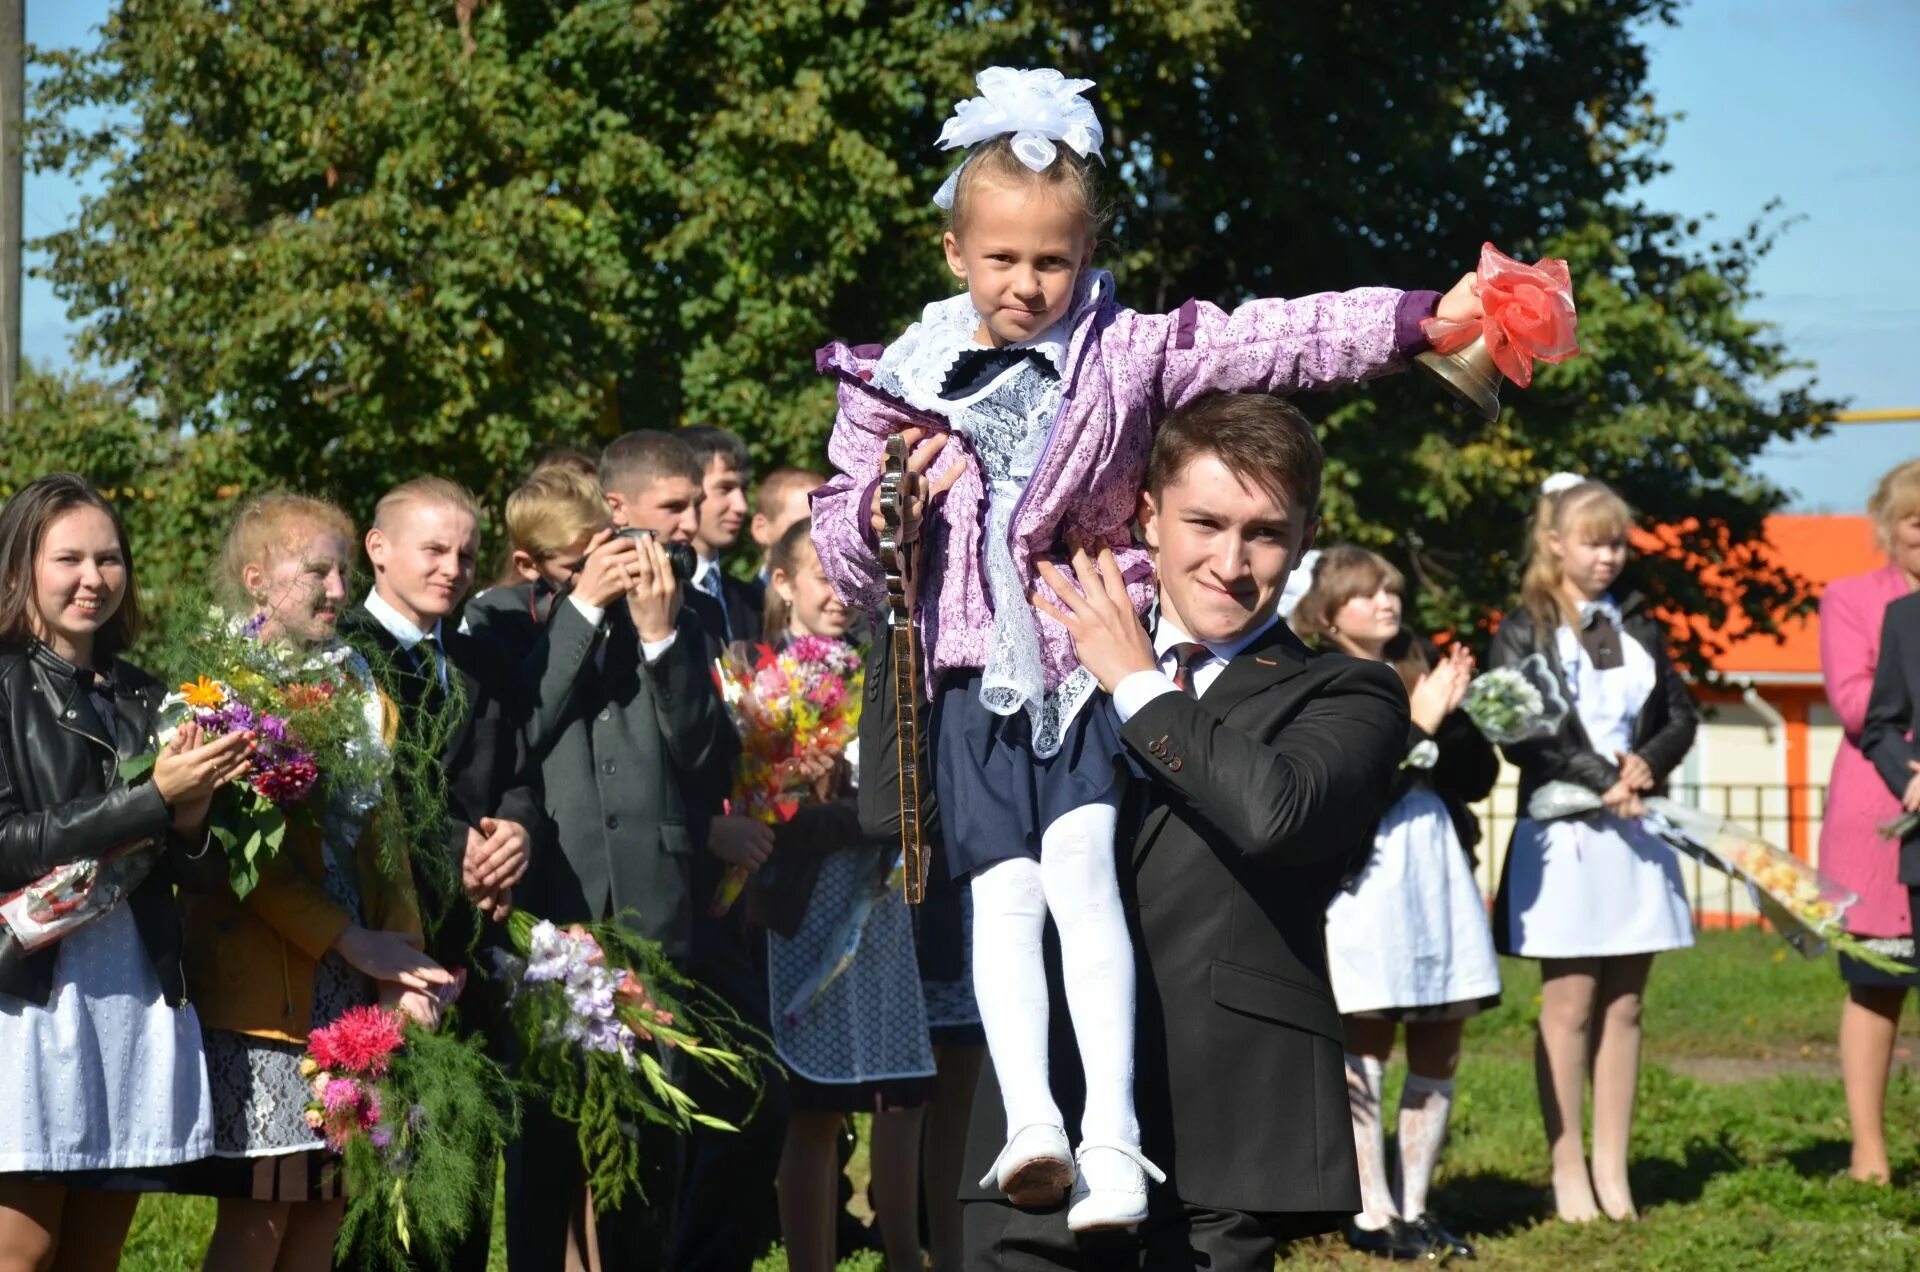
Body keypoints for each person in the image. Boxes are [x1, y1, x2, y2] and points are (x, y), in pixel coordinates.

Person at [810, 66, 1482, 1230]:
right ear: (953, 254)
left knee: (1081, 885)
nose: (1029, 285)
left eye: (1054, 262)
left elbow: (1278, 339)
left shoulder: (1127, 352)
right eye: (1004, 259)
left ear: (1088, 255)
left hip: (1077, 666)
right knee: (1004, 904)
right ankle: (1033, 1124)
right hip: (970, 681)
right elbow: (845, 542)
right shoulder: (892, 383)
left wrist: (1420, 318)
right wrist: (885, 514)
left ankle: (1113, 1139)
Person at [953, 394, 1410, 1269]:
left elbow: (1276, 815)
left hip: (1224, 1120)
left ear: (1306, 539)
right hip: (1042, 1112)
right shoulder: (1041, 661)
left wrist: (1137, 684)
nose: (1232, 563)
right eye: (1204, 522)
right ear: (1148, 517)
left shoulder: (1347, 693)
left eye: (1267, 533)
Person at [463, 462, 737, 1270]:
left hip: (653, 907)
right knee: (547, 1152)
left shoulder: (672, 614)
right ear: (531, 566)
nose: (604, 568)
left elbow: (707, 759)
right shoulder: (500, 620)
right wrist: (580, 608)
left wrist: (660, 635)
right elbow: (517, 731)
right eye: (575, 559)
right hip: (550, 914)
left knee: (650, 1146)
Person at [181, 493, 455, 1272]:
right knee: (263, 1220)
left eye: (343, 571)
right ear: (259, 581)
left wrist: (406, 963)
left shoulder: (356, 684)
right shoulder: (222, 691)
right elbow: (246, 867)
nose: (340, 590)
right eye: (319, 573)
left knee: (325, 1215)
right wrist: (352, 940)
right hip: (268, 1000)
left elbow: (387, 842)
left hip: (354, 983)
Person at [0, 474, 250, 1271]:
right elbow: (7, 839)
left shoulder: (151, 695)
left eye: (108, 559)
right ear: (19, 570)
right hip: (31, 998)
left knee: (93, 1259)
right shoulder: (2, 686)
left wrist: (191, 820)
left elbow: (201, 879)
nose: (92, 578)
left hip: (135, 998)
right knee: (23, 1253)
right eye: (67, 558)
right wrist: (150, 802)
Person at [338, 476, 543, 1271]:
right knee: (378, 1198)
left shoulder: (480, 661)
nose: (453, 567)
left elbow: (519, 771)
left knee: (461, 1191)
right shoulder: (344, 655)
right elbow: (364, 792)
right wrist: (453, 842)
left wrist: (516, 828)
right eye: (433, 549)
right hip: (378, 957)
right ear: (378, 549)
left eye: (464, 551)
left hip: (472, 955)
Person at [597, 430, 790, 1270]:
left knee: (754, 1096)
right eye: (670, 507)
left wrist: (666, 637)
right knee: (643, 1128)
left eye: (691, 505)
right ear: (618, 510)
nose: (687, 523)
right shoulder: (583, 609)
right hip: (617, 898)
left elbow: (708, 749)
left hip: (706, 896)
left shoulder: (702, 609)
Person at [1487, 474, 1698, 1224]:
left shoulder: (1628, 624)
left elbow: (1677, 712)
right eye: (1593, 542)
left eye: (1617, 543)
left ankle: (1614, 1168)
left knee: (1628, 1004)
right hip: (1566, 834)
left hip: (1634, 832)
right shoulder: (1522, 627)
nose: (1609, 557)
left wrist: (1647, 762)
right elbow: (1523, 730)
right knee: (1569, 1004)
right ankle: (1565, 1168)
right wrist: (1600, 775)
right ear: (1553, 545)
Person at [1291, 546, 1502, 1261]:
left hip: (1435, 870)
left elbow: (1476, 780)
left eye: (1391, 590)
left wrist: (1455, 715)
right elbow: (1341, 795)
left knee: (1442, 1028)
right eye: (1367, 593)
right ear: (1328, 611)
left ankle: (1416, 1205)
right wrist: (1417, 726)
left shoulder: (1421, 663)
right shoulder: (1317, 678)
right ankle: (1371, 1209)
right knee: (1369, 1031)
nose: (1387, 603)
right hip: (1365, 878)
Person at [752, 518, 936, 1272]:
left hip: (883, 908)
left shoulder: (878, 668)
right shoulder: (764, 679)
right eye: (820, 575)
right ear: (784, 583)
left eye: (848, 577)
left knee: (900, 1091)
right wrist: (865, 817)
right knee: (816, 1109)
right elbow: (768, 812)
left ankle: (907, 1252)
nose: (836, 593)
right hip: (803, 911)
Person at [1820, 459, 1920, 1184]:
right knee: (1876, 982)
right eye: (1916, 521)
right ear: (1888, 528)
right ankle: (1869, 1150)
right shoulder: (1853, 598)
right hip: (1880, 812)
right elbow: (1857, 703)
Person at [680, 425, 763, 644]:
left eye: (743, 490)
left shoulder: (750, 600)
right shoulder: (661, 595)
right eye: (724, 488)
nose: (741, 506)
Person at [751, 468, 824, 585]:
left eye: (825, 526)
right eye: (799, 527)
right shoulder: (738, 601)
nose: (817, 536)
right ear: (761, 529)